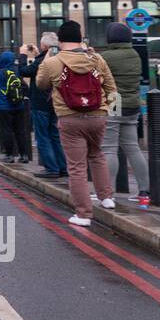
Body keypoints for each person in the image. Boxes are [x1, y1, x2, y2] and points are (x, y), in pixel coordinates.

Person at [34, 20, 118, 227]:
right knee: (97, 154)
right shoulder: (97, 59)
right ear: (80, 37)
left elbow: (40, 84)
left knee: (77, 166)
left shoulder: (52, 62)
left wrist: (48, 60)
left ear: (60, 41)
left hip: (69, 118)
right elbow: (111, 87)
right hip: (98, 115)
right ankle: (106, 198)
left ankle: (83, 214)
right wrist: (108, 111)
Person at [97, 22, 151, 207]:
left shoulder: (106, 57)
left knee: (109, 148)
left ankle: (107, 193)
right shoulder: (134, 54)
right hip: (133, 103)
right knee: (133, 148)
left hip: (114, 100)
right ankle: (144, 190)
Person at [19, 34, 66, 179]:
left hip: (41, 103)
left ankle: (51, 168)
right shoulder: (59, 58)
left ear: (44, 46)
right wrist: (37, 54)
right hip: (56, 103)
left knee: (43, 136)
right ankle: (62, 167)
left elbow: (23, 71)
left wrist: (22, 55)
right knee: (55, 135)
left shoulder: (41, 62)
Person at [0, 49, 29, 163]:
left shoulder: (0, 74)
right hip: (19, 105)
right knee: (20, 131)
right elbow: (4, 65)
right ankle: (24, 155)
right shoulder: (17, 70)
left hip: (4, 107)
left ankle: (9, 155)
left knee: (7, 130)